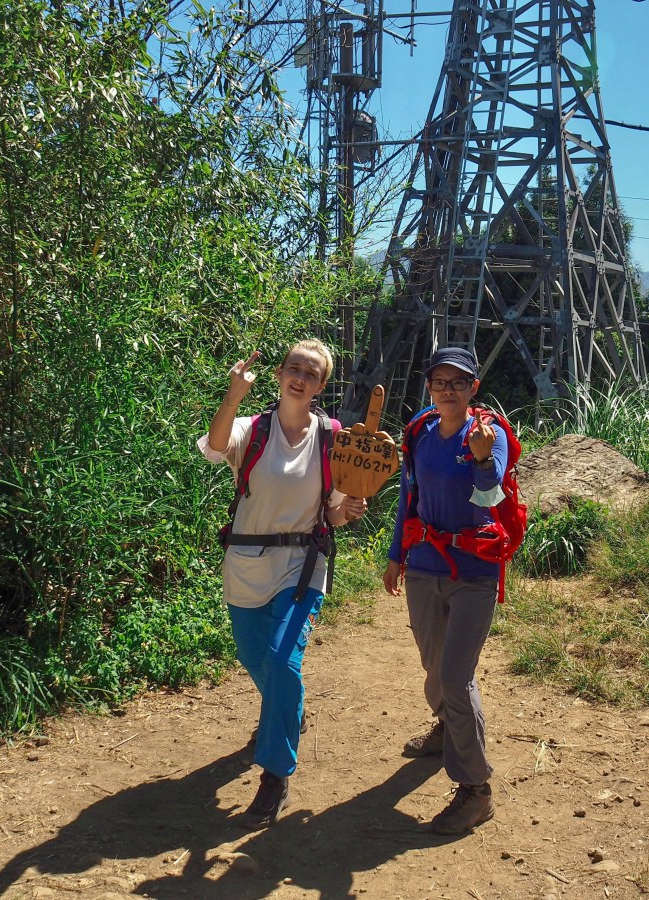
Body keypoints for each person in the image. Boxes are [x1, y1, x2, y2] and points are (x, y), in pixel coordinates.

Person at [199, 339, 367, 829]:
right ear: (279, 373)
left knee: (281, 659)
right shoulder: (251, 430)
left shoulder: (333, 438)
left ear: (321, 386)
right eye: (294, 367)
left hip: (302, 567)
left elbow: (332, 511)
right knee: (255, 659)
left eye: (311, 373)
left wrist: (347, 511)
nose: (300, 377)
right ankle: (287, 712)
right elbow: (213, 449)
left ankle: (275, 775)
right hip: (245, 563)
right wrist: (233, 396)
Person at [383, 346, 508, 835]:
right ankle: (446, 727)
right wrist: (395, 555)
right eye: (440, 382)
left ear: (473, 388)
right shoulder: (421, 433)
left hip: (474, 572)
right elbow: (408, 499)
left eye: (458, 382)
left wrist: (481, 461)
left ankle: (476, 790)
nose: (448, 390)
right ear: (430, 387)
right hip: (425, 565)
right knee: (434, 668)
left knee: (456, 677)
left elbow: (493, 494)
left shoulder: (487, 434)